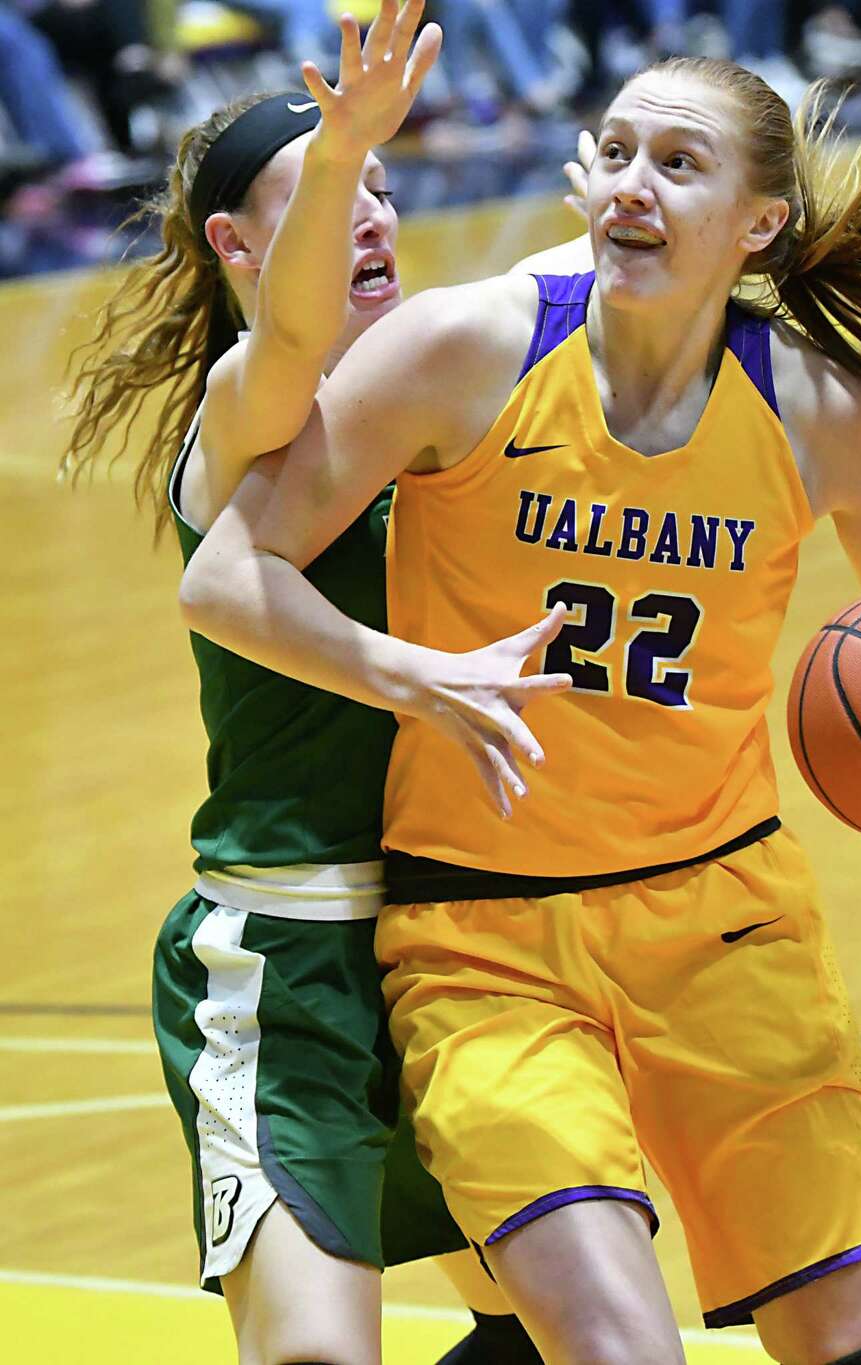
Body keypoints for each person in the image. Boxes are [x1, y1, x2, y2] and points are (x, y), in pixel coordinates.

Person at [178, 61, 861, 1364]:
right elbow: (228, 571)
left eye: (678, 162)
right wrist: (417, 671)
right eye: (616, 150)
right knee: (610, 1345)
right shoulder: (468, 345)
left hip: (725, 920)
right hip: (485, 937)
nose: (634, 183)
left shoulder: (828, 407)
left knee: (855, 1332)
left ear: (757, 223)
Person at [62, 4, 561, 1361]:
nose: (376, 216)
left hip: (450, 948)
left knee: (553, 1328)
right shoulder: (244, 413)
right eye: (336, 192)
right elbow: (287, 347)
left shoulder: (441, 405)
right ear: (237, 244)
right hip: (282, 963)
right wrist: (345, 144)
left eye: (389, 188)